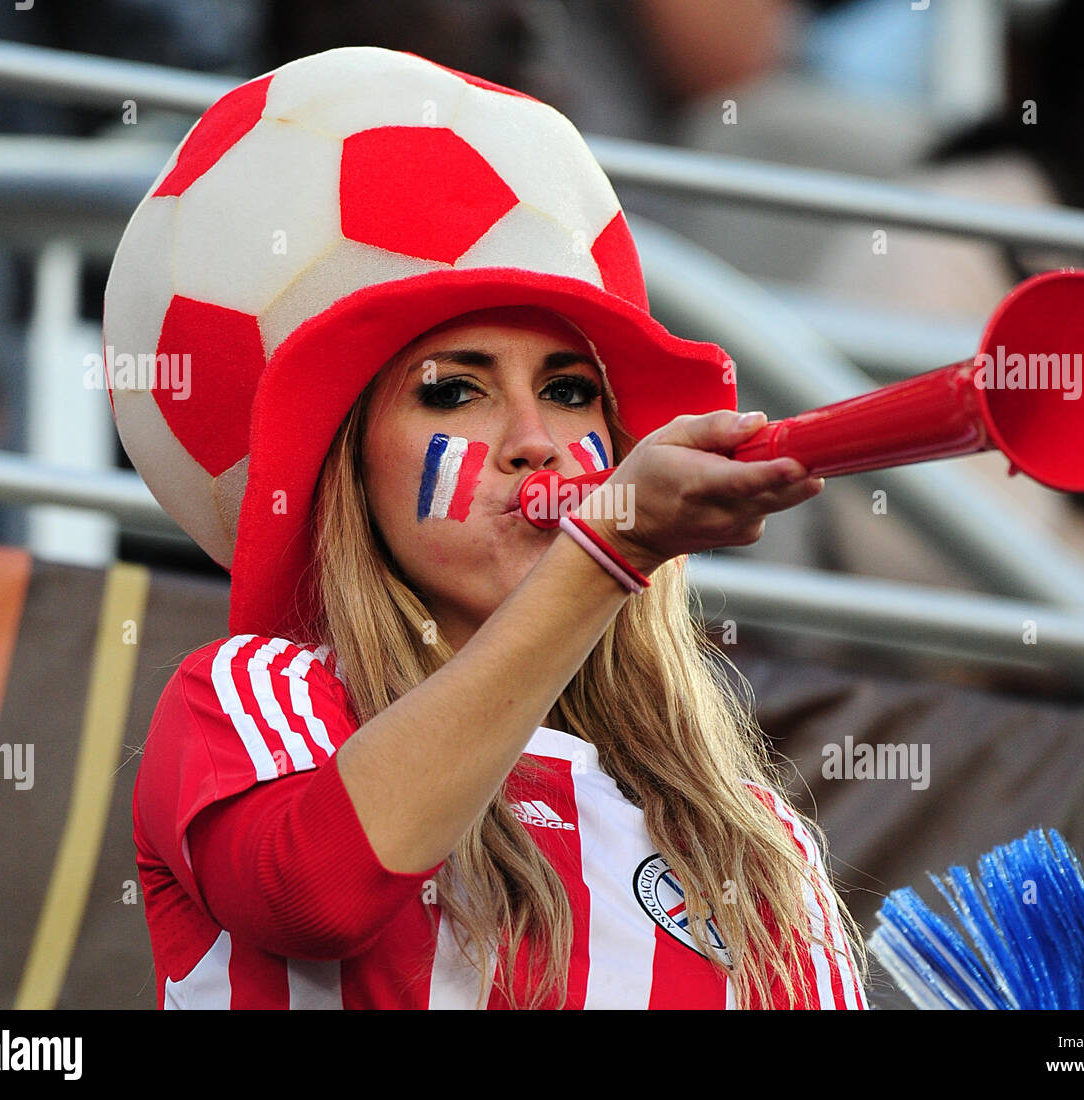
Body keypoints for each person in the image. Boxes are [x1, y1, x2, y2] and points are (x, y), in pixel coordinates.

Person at [108, 46, 865, 1010]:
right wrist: (610, 554)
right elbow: (309, 895)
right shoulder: (260, 697)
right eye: (454, 391)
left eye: (570, 390)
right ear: (352, 469)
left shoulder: (754, 841)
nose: (532, 442)